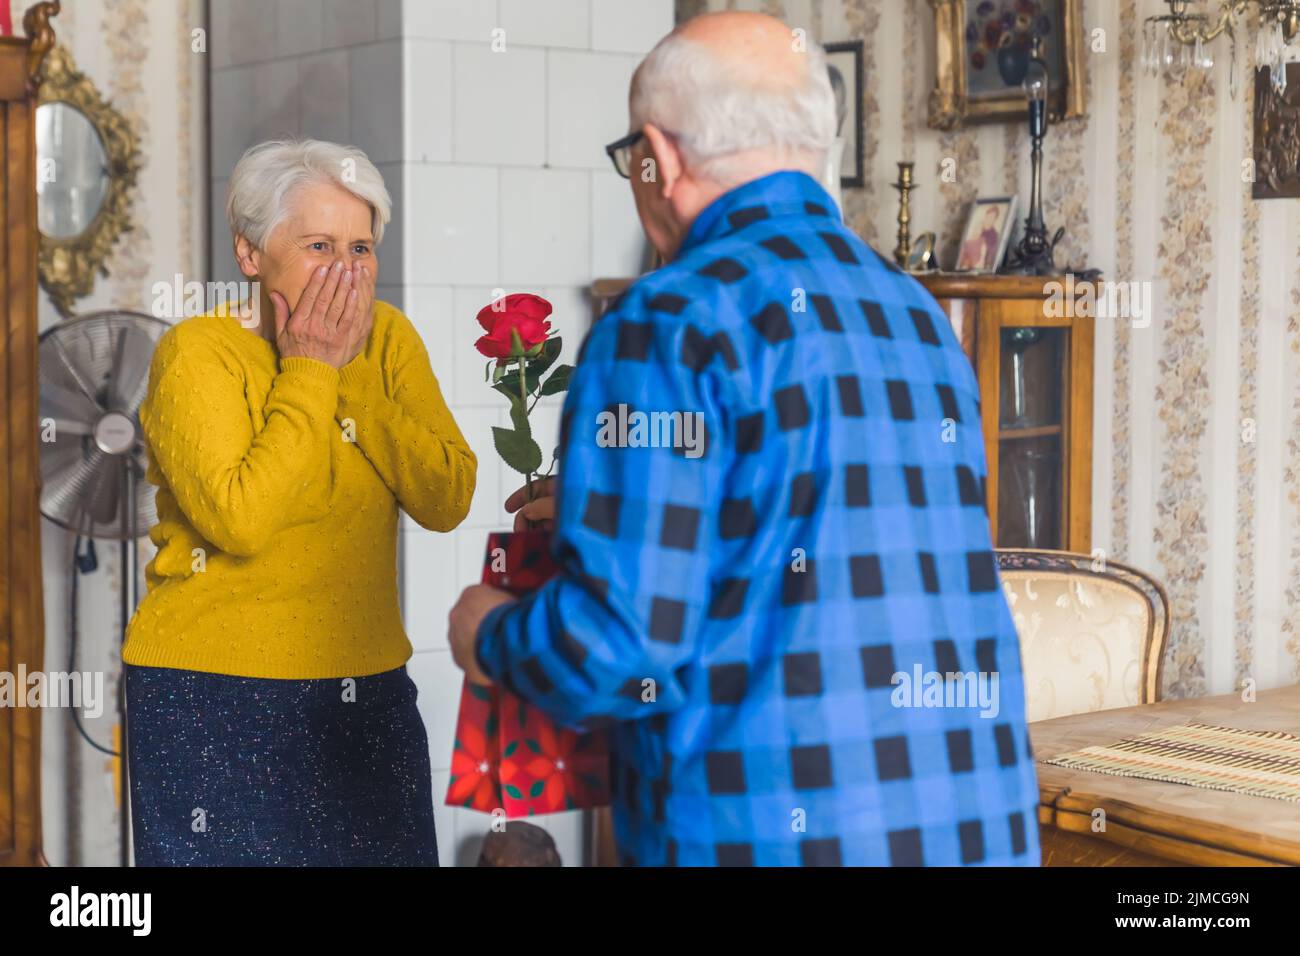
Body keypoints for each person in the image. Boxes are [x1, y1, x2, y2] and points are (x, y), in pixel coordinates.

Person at [448, 11, 1040, 867]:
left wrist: (489, 636)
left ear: (661, 155)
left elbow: (618, 649)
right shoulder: (914, 313)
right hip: (971, 830)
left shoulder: (666, 318)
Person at [124, 138, 476, 865]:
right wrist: (313, 367)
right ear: (250, 255)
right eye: (319, 245)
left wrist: (347, 376)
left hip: (366, 687)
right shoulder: (197, 354)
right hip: (212, 698)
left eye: (361, 247)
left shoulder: (389, 342)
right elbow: (241, 520)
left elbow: (447, 496)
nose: (347, 271)